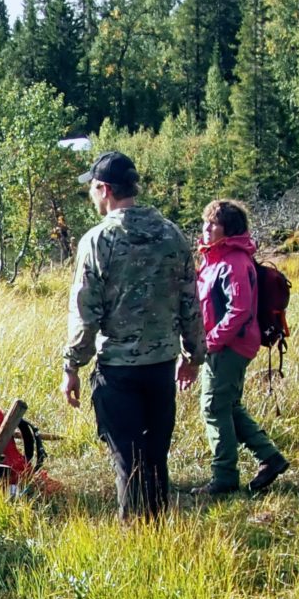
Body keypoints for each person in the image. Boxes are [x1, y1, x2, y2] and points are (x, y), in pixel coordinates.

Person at [61, 151, 207, 520]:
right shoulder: (172, 234)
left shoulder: (98, 240)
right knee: (156, 456)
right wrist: (194, 355)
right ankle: (155, 528)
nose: (92, 196)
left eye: (93, 189)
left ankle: (137, 534)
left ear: (104, 189)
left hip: (118, 369)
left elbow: (85, 312)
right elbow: (190, 301)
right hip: (161, 366)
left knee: (128, 459)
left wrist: (72, 366)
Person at [195, 199, 289, 495]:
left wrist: (211, 342)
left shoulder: (233, 262)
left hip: (229, 346)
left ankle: (224, 478)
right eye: (206, 222)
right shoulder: (215, 258)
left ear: (230, 229)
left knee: (213, 407)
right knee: (228, 406)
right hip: (224, 344)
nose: (206, 228)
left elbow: (239, 310)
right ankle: (270, 458)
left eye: (213, 223)